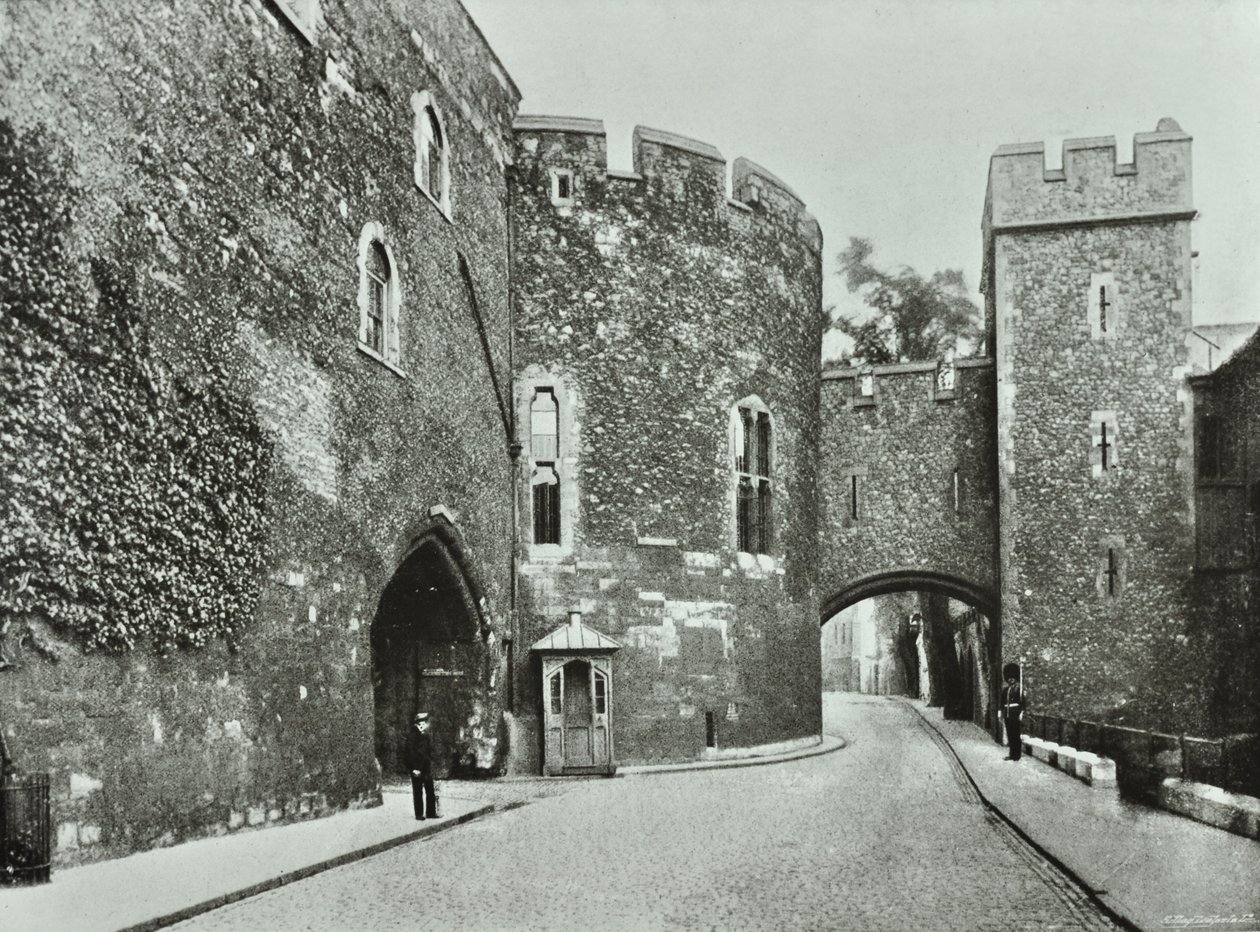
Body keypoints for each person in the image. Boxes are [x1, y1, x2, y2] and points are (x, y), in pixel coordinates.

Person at [406, 712, 437, 820]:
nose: (426, 725)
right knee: (418, 791)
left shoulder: (425, 735)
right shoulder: (412, 736)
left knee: (430, 790)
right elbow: (410, 753)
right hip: (417, 768)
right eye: (425, 723)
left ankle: (431, 813)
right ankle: (419, 814)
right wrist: (414, 768)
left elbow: (428, 751)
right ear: (420, 723)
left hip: (425, 767)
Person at [1000, 662, 1026, 761]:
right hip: (1007, 714)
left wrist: (1021, 712)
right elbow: (1002, 702)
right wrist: (1000, 712)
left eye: (1012, 677)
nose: (1010, 679)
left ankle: (1016, 755)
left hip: (1015, 714)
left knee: (1015, 735)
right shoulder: (1006, 690)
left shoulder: (1019, 689)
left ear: (1015, 678)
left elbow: (1023, 702)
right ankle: (1011, 754)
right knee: (1010, 735)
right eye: (1009, 678)